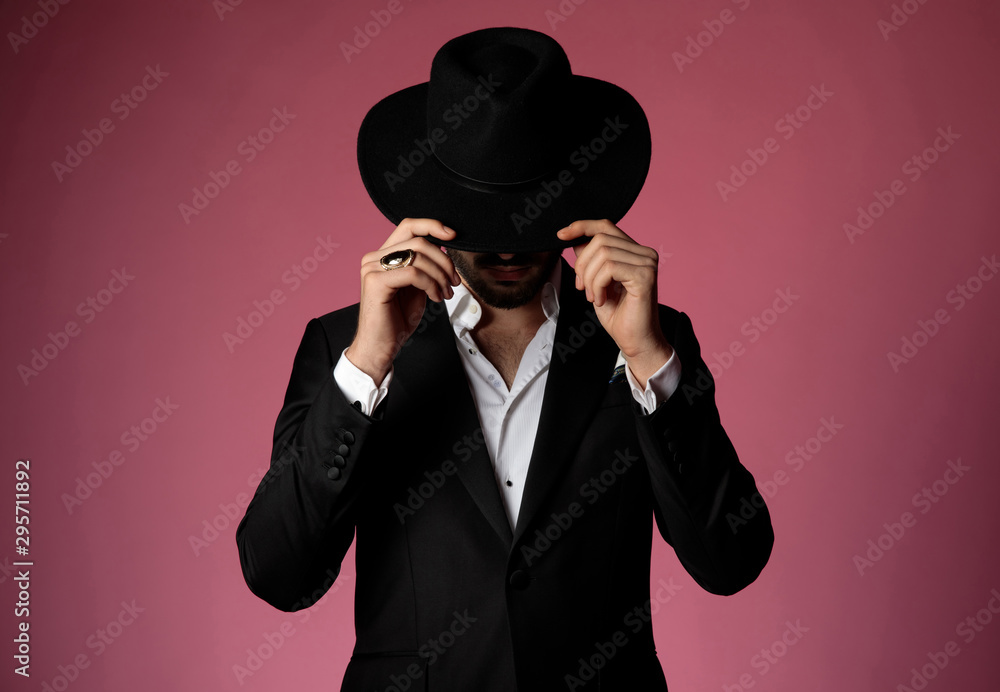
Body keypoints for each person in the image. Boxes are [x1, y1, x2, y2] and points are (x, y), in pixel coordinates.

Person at [236, 26, 773, 692]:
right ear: (433, 208)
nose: (510, 248)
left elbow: (732, 561)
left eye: (528, 219)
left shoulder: (652, 340)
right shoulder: (341, 345)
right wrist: (368, 363)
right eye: (483, 220)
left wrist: (650, 361)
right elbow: (280, 574)